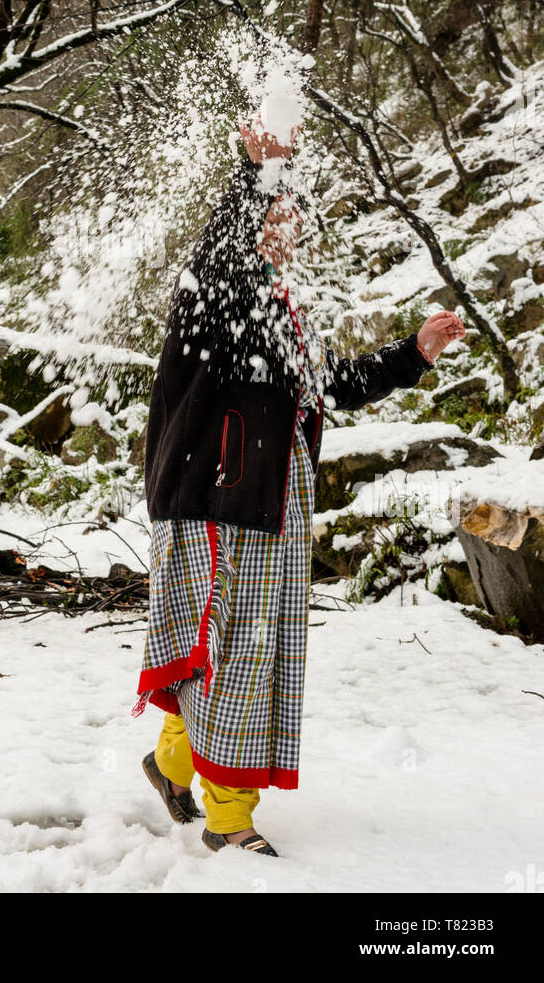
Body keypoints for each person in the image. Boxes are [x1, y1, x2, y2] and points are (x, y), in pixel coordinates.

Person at [132, 115, 465, 855]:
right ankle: (227, 821)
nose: (287, 230)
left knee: (237, 648)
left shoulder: (285, 314)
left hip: (273, 509)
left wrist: (412, 354)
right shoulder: (212, 291)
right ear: (252, 218)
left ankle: (171, 761)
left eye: (292, 221)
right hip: (214, 502)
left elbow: (334, 386)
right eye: (276, 216)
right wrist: (259, 175)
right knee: (236, 653)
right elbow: (221, 253)